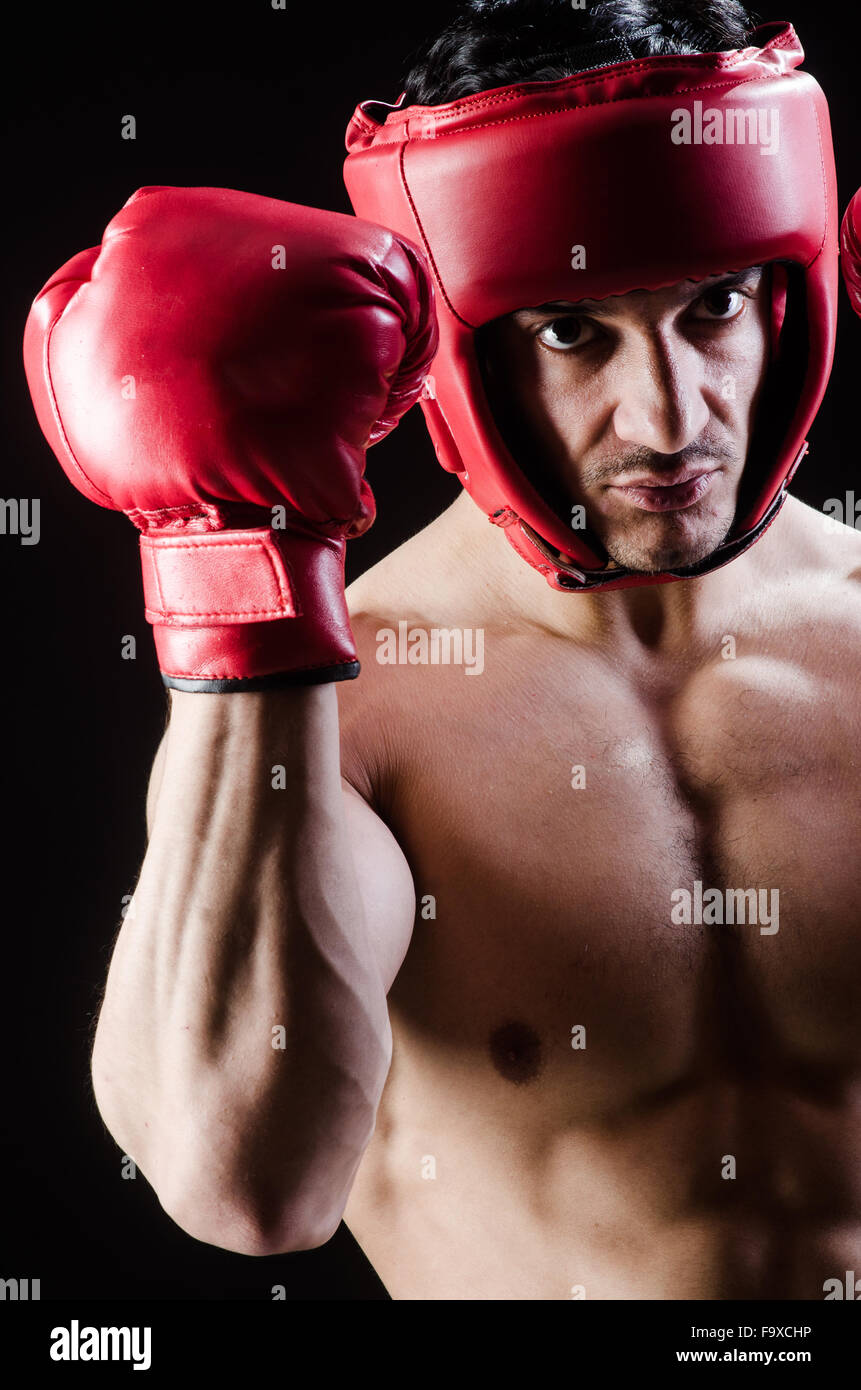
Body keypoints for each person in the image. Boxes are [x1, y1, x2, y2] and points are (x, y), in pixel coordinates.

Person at [24, 0, 861, 1299]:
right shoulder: (350, 709)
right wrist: (231, 559)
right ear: (446, 348)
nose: (671, 414)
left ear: (793, 294)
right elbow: (241, 1181)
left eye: (712, 307)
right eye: (574, 332)